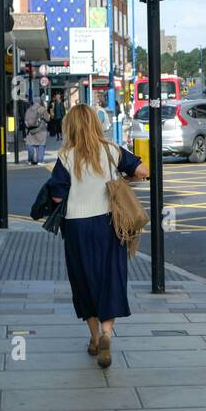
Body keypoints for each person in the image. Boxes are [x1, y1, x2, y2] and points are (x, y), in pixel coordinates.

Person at [46, 105, 149, 367]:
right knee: (109, 278)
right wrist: (117, 176)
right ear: (95, 123)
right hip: (109, 224)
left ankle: (93, 338)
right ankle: (106, 334)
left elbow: (57, 195)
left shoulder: (66, 156)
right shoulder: (111, 150)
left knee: (84, 281)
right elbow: (142, 171)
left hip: (78, 227)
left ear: (70, 127)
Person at [24, 97, 50, 165]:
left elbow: (26, 119)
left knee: (30, 144)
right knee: (41, 145)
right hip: (41, 130)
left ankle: (30, 160)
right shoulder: (42, 109)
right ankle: (40, 160)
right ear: (39, 101)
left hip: (31, 130)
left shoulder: (29, 109)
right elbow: (47, 119)